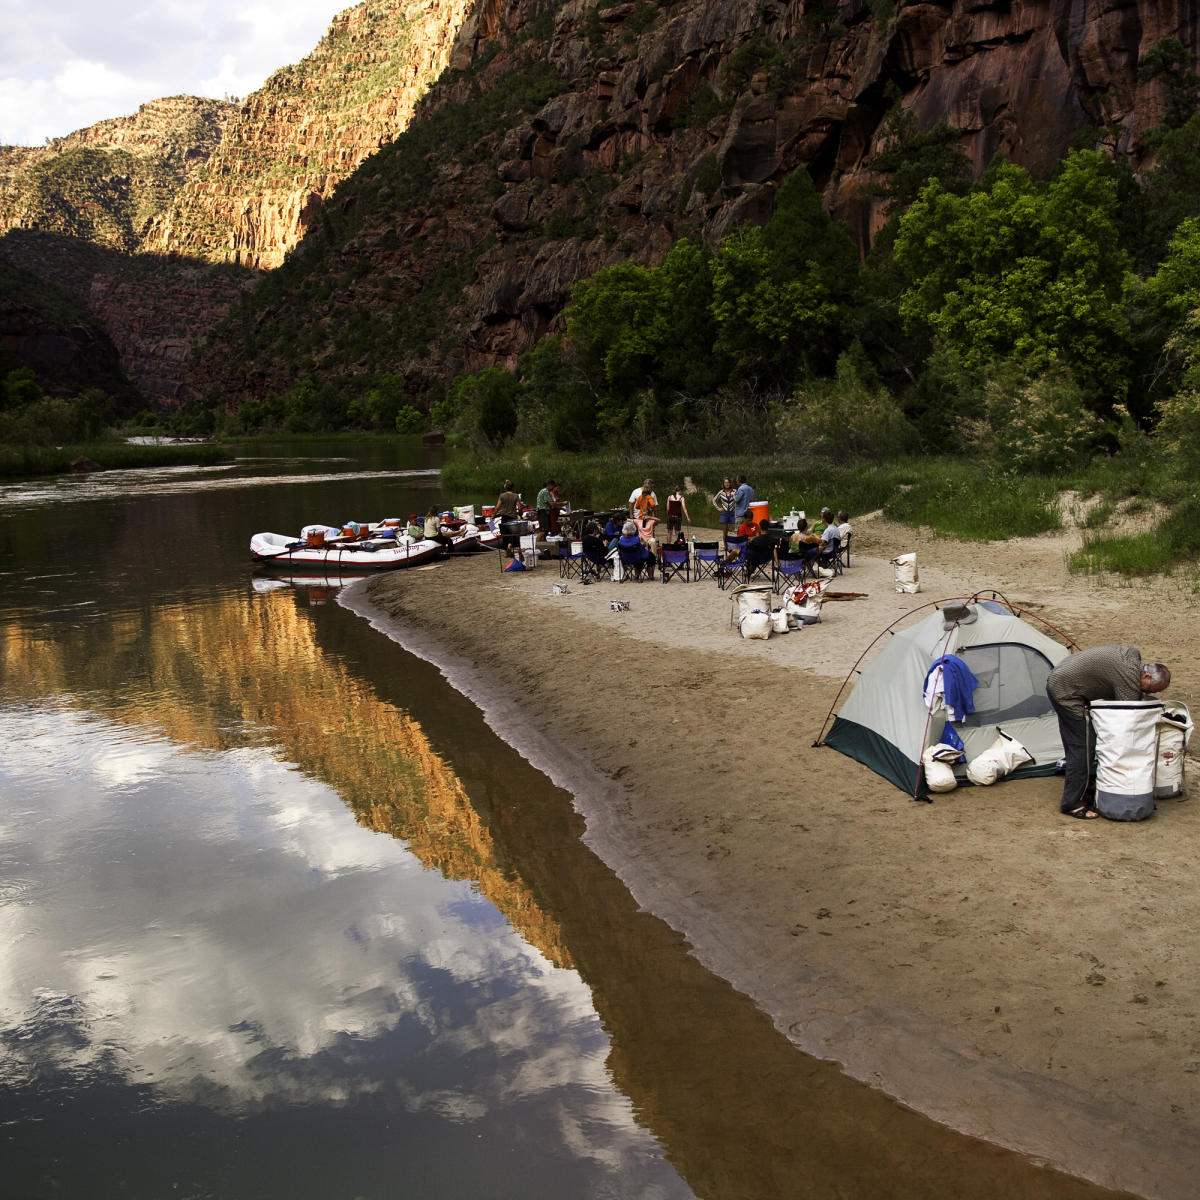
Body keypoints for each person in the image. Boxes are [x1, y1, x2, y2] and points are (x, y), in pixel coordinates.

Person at [1046, 647, 1171, 819]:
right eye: (1150, 689)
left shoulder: (1133, 658)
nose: (1147, 693)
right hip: (1066, 693)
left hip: (1061, 678)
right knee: (1083, 747)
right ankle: (1071, 803)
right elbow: (1128, 716)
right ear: (1146, 676)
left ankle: (1086, 786)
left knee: (1079, 743)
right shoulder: (1129, 677)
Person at [713, 477, 737, 547]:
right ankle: (726, 546)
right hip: (724, 513)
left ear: (730, 483)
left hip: (733, 513)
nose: (727, 484)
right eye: (725, 482)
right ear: (723, 484)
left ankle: (736, 545)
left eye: (728, 482)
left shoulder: (735, 491)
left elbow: (739, 499)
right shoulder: (721, 492)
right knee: (725, 531)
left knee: (736, 530)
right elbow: (714, 500)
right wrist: (718, 508)